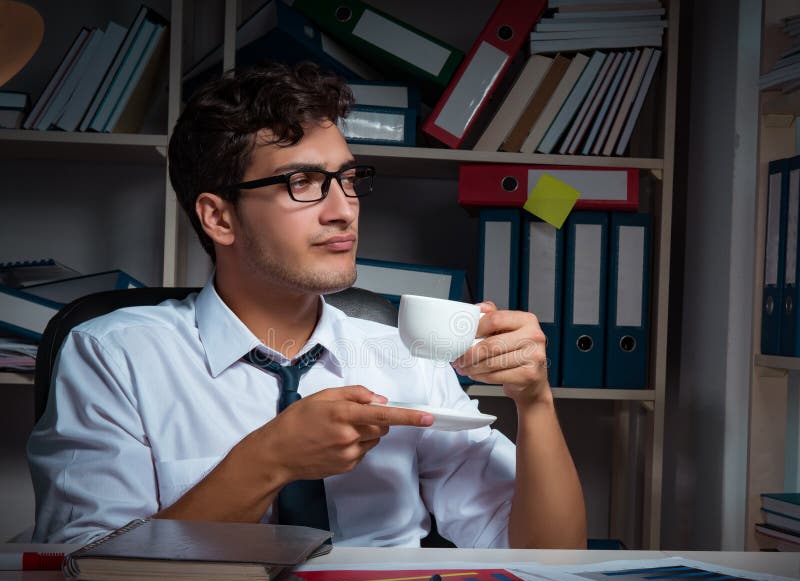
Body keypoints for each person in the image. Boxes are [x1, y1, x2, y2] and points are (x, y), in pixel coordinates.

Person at [27, 61, 586, 548]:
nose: (343, 210)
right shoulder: (114, 352)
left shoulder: (409, 356)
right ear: (219, 217)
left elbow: (548, 557)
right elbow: (87, 571)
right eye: (303, 182)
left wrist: (534, 402)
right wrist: (270, 460)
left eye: (347, 179)